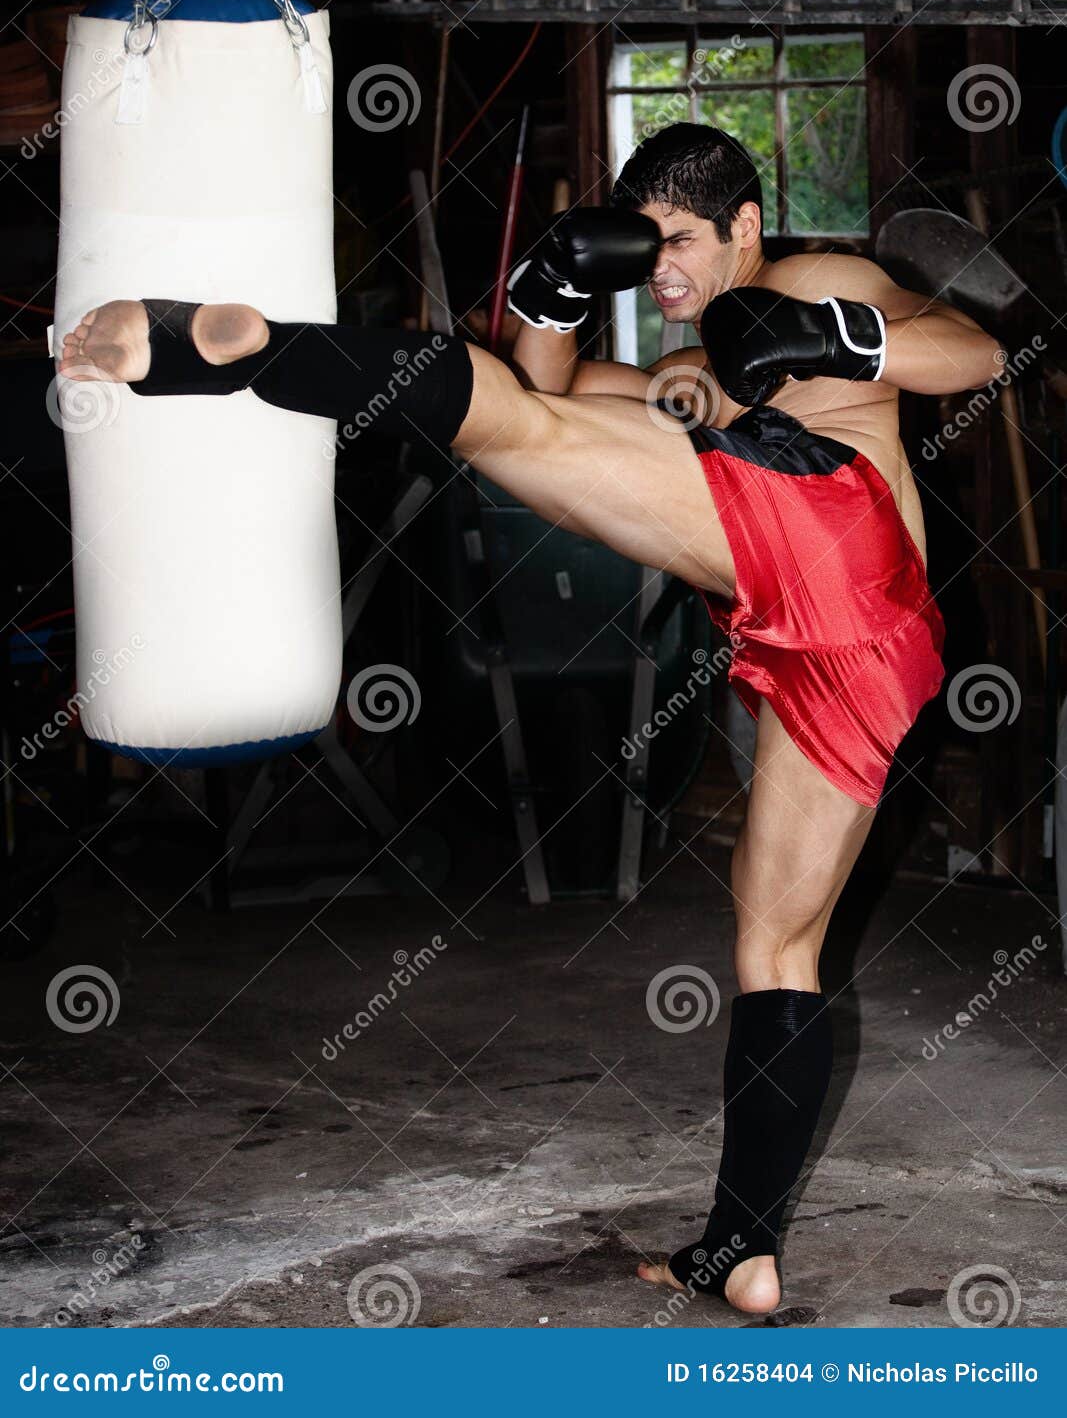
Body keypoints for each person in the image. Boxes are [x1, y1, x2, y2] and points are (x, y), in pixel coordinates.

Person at [57, 123, 1001, 1316]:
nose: (662, 273)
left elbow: (973, 353)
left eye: (682, 245)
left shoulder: (812, 280)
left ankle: (224, 351)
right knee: (773, 947)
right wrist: (547, 289)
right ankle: (741, 1249)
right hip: (859, 661)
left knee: (511, 431)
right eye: (643, 250)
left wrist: (843, 333)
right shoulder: (700, 358)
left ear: (747, 228)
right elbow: (548, 383)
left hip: (838, 557)